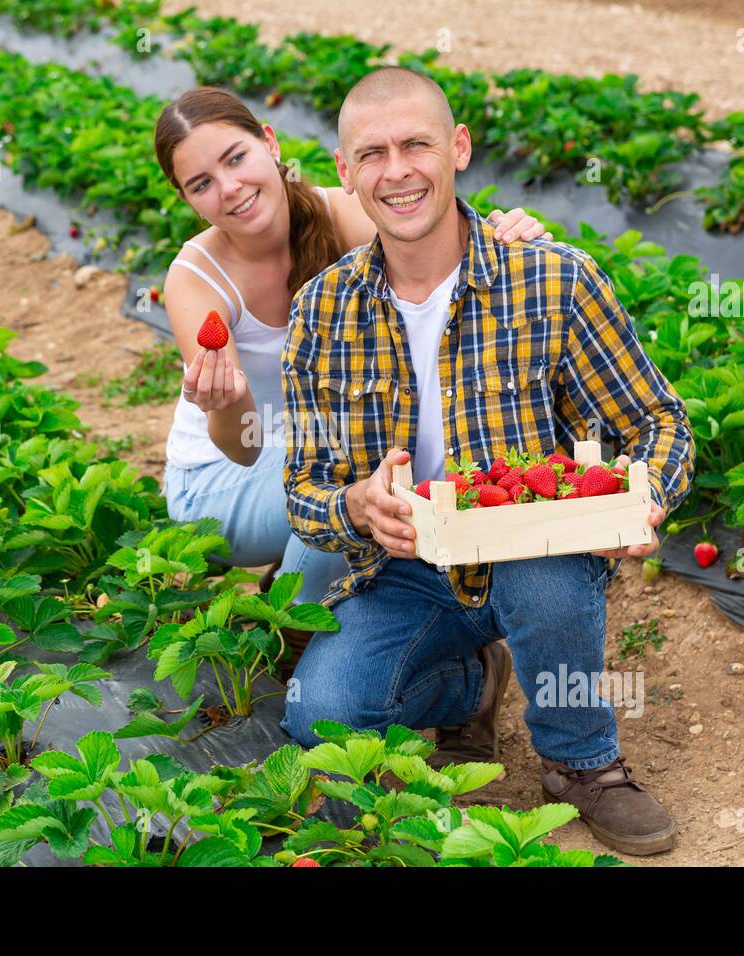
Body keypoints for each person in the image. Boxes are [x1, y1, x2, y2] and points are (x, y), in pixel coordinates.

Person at [280, 67, 695, 856]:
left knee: (541, 571)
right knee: (318, 715)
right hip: (405, 570)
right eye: (371, 153)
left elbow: (658, 421)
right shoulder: (322, 311)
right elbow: (303, 486)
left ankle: (583, 763)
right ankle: (474, 684)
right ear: (344, 171)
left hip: (532, 544)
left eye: (416, 145)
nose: (396, 170)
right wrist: (358, 506)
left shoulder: (554, 281)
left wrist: (647, 501)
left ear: (458, 148)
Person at [153, 87, 548, 607]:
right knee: (365, 461)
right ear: (187, 199)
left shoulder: (344, 216)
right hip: (222, 482)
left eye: (236, 158)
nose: (229, 188)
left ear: (269, 144)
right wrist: (227, 400)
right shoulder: (197, 281)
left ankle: (415, 601)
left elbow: (445, 247)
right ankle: (305, 612)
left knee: (387, 447)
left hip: (317, 446)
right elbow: (242, 447)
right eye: (202, 183)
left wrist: (505, 234)